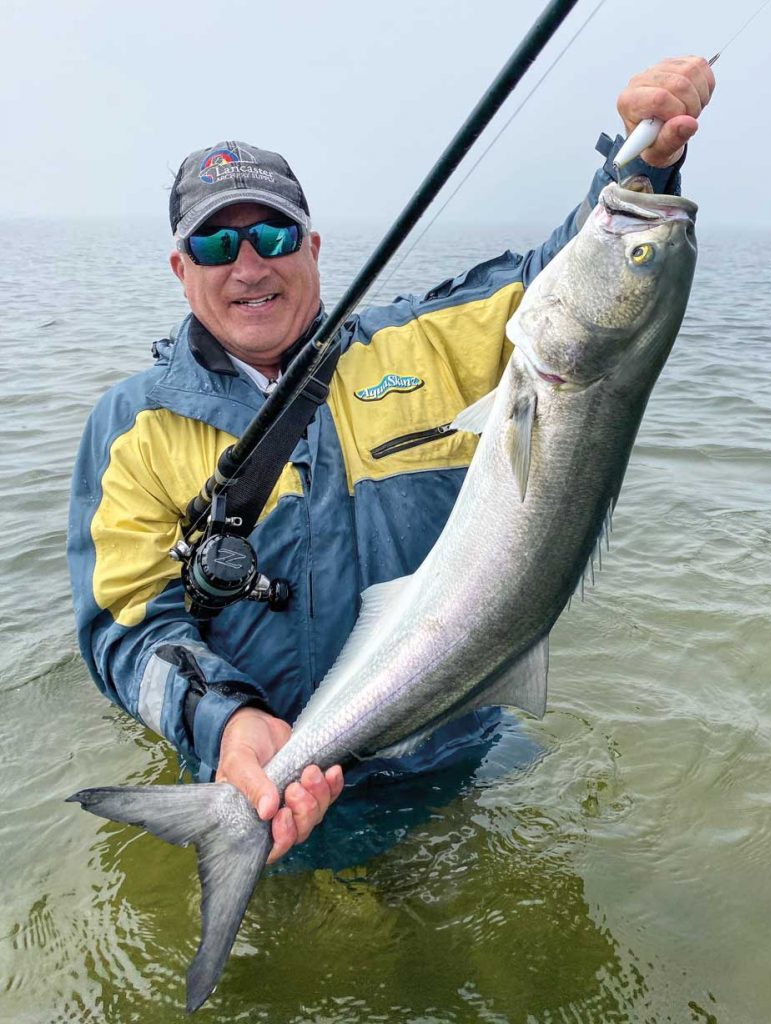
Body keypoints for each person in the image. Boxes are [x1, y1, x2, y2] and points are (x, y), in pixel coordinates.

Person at [68, 57, 715, 864]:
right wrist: (226, 724)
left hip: (451, 770)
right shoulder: (131, 428)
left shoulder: (433, 343)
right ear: (180, 268)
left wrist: (644, 165)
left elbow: (572, 279)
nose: (249, 265)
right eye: (215, 242)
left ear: (311, 247)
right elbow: (127, 626)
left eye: (273, 235)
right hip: (264, 787)